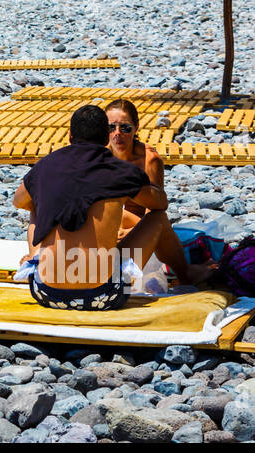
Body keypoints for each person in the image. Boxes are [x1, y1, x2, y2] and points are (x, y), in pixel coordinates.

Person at [13, 105, 212, 310]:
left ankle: (34, 260)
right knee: (158, 219)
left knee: (35, 207)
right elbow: (160, 205)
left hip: (46, 292)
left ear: (70, 136)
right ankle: (184, 274)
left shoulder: (46, 165)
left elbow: (18, 202)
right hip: (104, 295)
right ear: (105, 138)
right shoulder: (119, 171)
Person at [105, 98, 165, 236]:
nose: (117, 133)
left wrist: (128, 232)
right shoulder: (99, 156)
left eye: (125, 128)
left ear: (136, 127)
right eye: (111, 128)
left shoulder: (149, 160)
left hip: (137, 229)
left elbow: (156, 209)